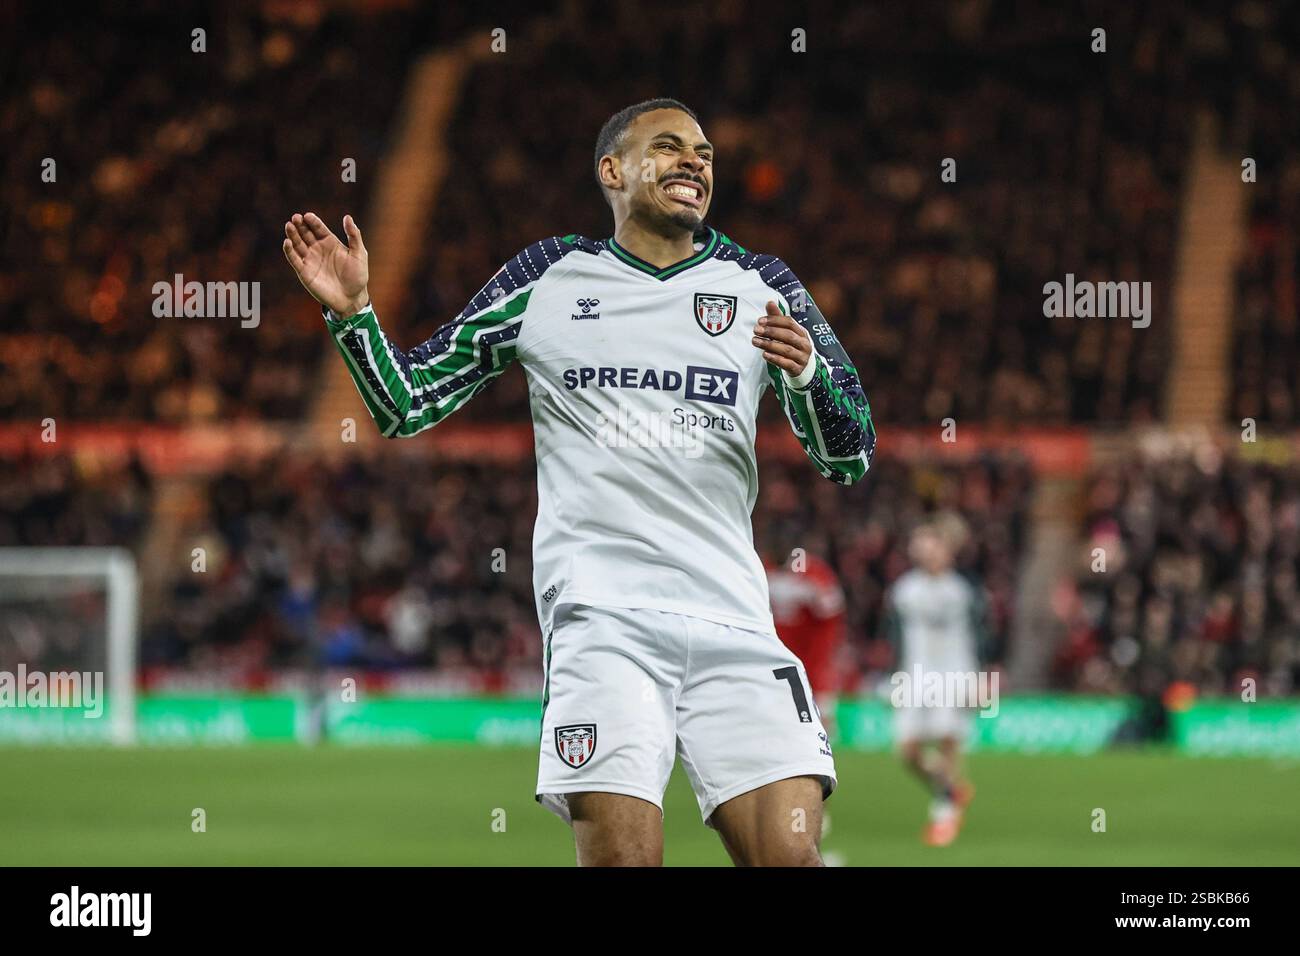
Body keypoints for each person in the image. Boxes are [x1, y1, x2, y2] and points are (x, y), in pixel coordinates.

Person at [282, 98, 875, 866]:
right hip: (605, 622)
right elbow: (406, 403)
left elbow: (850, 451)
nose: (696, 162)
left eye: (704, 153)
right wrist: (356, 314)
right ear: (613, 171)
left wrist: (806, 374)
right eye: (669, 147)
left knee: (791, 860)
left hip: (734, 621)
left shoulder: (762, 282)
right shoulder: (548, 277)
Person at [884, 515, 988, 847]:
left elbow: (984, 634)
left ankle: (944, 814)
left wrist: (983, 676)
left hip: (956, 673)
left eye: (934, 546)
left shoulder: (965, 589)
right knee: (907, 751)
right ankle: (951, 789)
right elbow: (893, 636)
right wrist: (890, 678)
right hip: (914, 675)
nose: (928, 553)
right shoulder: (904, 590)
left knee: (947, 739)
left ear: (948, 551)